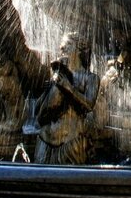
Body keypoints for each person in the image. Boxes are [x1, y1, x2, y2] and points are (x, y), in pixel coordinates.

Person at [35, 32, 100, 164]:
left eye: (68, 45)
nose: (63, 48)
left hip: (70, 141)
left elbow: (89, 105)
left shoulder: (91, 78)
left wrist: (68, 87)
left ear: (79, 49)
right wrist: (51, 88)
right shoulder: (57, 75)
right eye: (62, 47)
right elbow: (38, 111)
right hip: (45, 140)